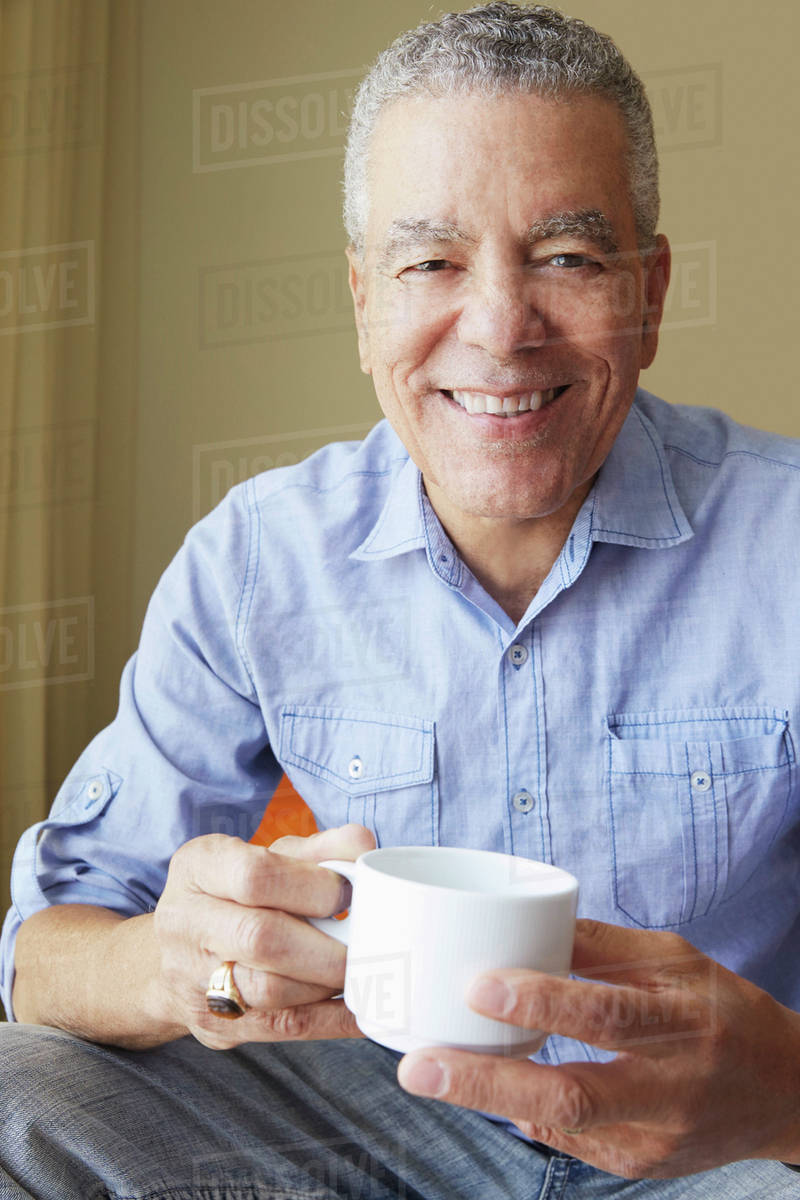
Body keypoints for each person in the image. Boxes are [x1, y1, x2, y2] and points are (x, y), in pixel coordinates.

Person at [1, 3, 799, 1196]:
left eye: (568, 258)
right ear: (363, 299)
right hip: (383, 1126)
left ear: (649, 288)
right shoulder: (258, 559)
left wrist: (785, 1090)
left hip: (719, 1152)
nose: (500, 329)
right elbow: (46, 948)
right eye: (430, 263)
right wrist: (178, 966)